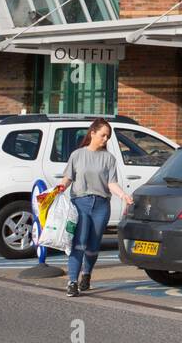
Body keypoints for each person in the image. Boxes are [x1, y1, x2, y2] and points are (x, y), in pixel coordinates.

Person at [56, 118, 135, 297]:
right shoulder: (77, 155)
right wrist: (59, 189)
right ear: (92, 133)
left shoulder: (109, 158)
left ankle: (87, 275)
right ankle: (72, 281)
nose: (105, 139)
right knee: (80, 242)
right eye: (102, 135)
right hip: (81, 203)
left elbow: (111, 183)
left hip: (101, 205)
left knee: (93, 245)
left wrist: (123, 195)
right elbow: (68, 178)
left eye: (108, 136)